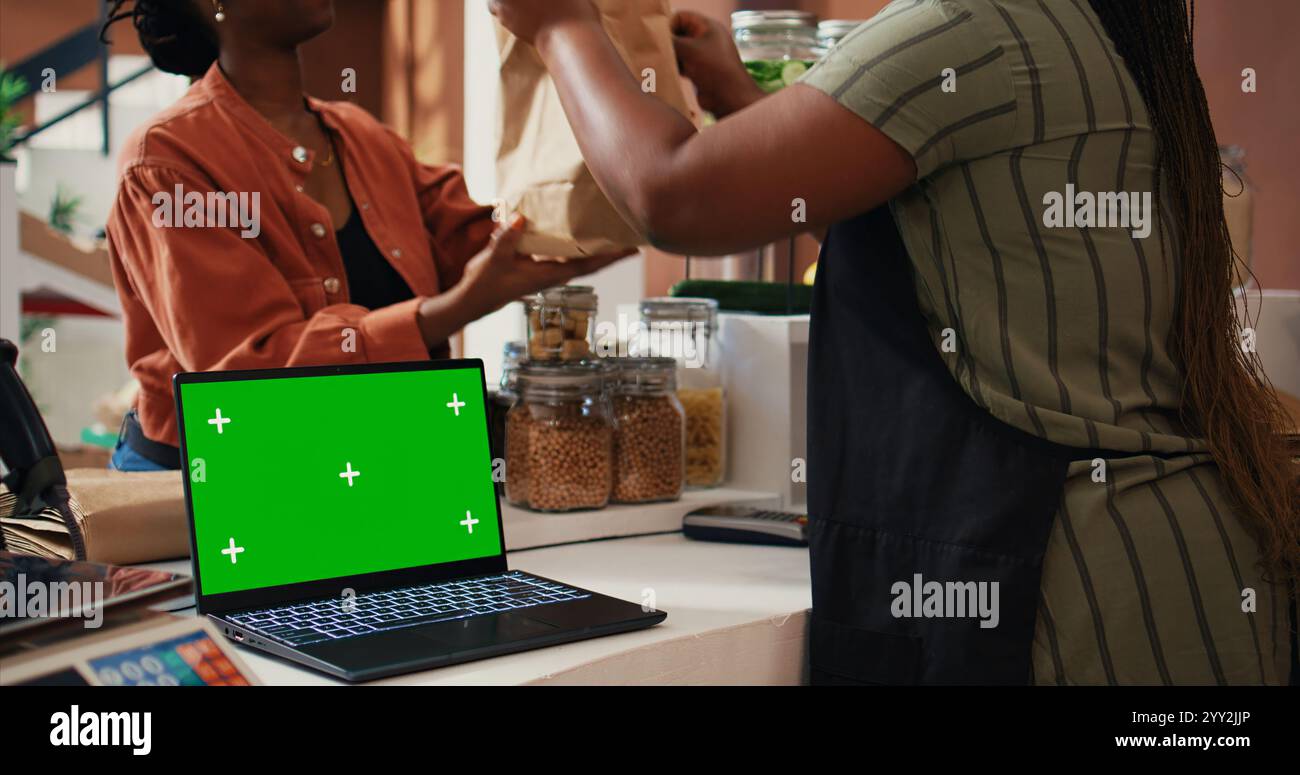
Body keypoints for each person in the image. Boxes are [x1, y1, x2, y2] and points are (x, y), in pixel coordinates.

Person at [490, 0, 1298, 684]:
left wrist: (560, 25)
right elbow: (927, 226)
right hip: (1183, 578)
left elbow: (673, 191)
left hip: (1062, 595)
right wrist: (744, 97)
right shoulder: (1093, 31)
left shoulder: (965, 30)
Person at [100, 0, 625, 472]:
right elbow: (249, 373)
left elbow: (482, 238)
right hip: (215, 487)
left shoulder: (362, 136)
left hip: (363, 463)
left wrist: (616, 186)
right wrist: (454, 309)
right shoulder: (166, 163)